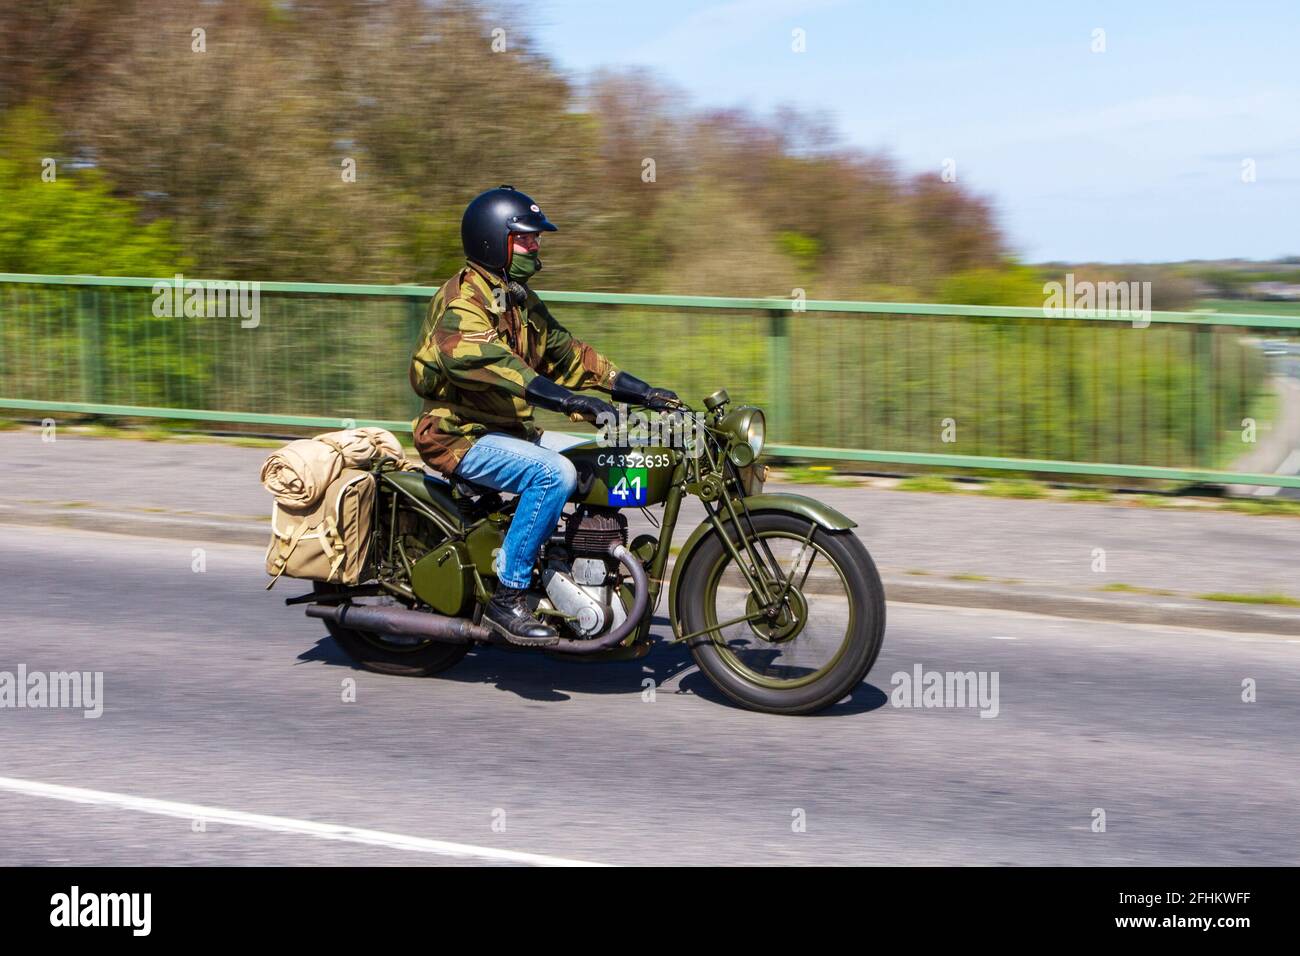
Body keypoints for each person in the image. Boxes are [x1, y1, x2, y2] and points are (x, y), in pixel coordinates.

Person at [409, 186, 678, 646]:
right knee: (553, 474)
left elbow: (571, 356)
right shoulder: (462, 304)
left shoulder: (518, 300)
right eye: (527, 238)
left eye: (537, 238)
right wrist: (570, 402)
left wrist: (643, 391)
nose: (536, 245)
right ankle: (508, 596)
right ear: (495, 241)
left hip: (510, 432)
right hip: (458, 437)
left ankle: (572, 565)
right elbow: (500, 365)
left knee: (603, 460)